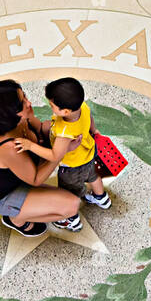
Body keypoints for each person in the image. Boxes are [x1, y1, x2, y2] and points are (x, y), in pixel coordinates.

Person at [0, 79, 82, 236]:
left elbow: (40, 128)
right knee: (71, 206)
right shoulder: (8, 147)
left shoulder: (13, 120)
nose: (29, 103)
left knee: (47, 134)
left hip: (18, 175)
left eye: (24, 96)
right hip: (2, 196)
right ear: (9, 114)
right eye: (22, 103)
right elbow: (36, 179)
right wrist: (61, 152)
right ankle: (16, 219)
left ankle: (28, 208)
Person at [42, 77, 112, 212]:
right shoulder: (82, 107)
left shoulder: (64, 130)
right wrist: (94, 129)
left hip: (72, 167)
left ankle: (71, 218)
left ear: (66, 111)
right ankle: (102, 198)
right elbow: (90, 117)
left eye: (52, 106)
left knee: (70, 191)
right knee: (93, 176)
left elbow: (55, 154)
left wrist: (30, 146)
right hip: (89, 153)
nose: (51, 108)